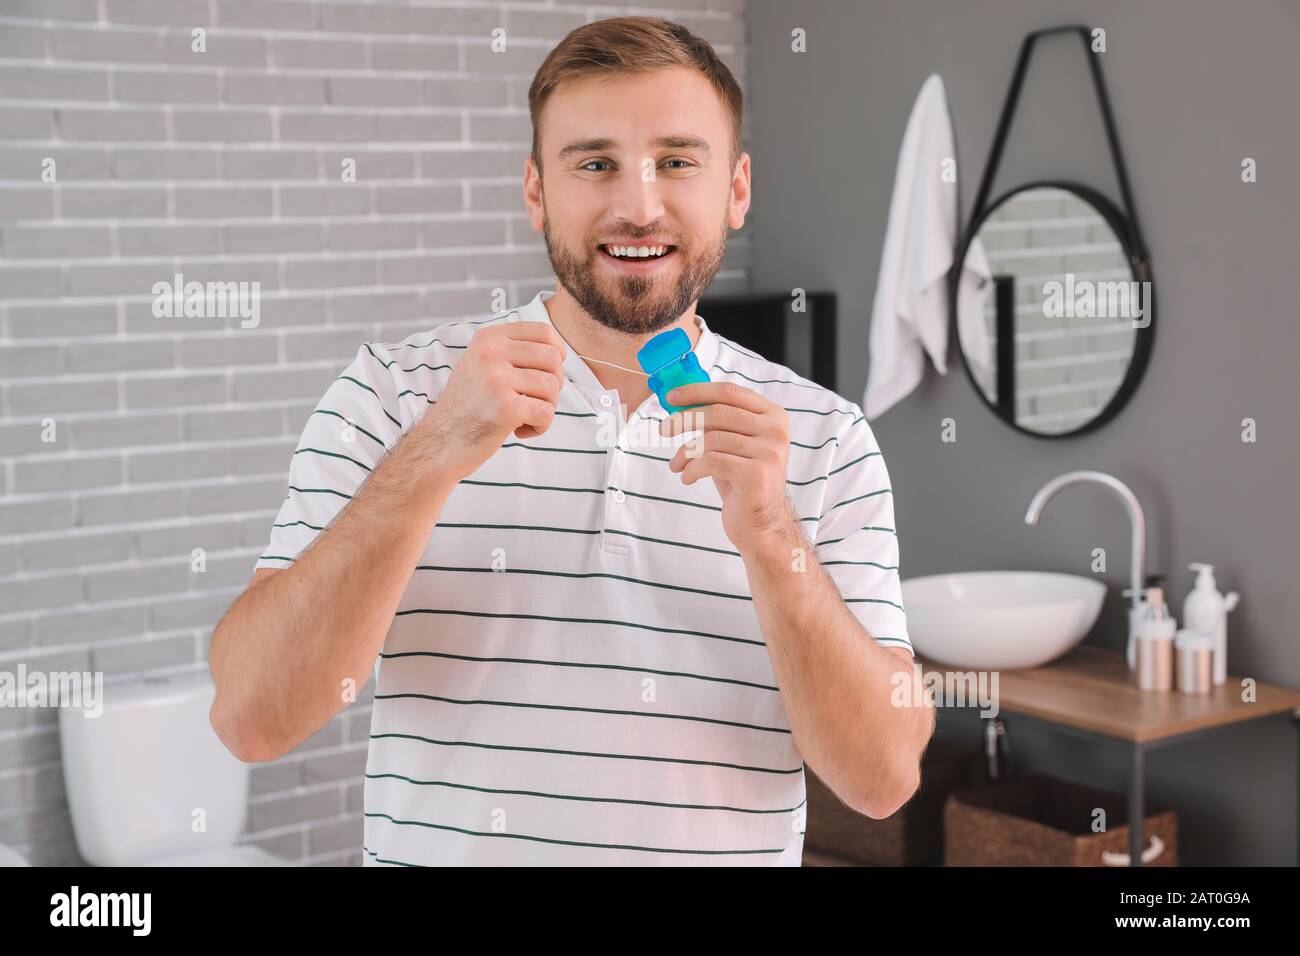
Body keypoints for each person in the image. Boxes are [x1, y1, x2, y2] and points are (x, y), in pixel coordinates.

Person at [210, 15, 933, 866]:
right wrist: (436, 450)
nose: (637, 204)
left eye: (676, 160)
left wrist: (773, 536)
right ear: (535, 191)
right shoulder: (392, 393)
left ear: (736, 189)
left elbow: (881, 781)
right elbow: (252, 718)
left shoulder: (824, 437)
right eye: (594, 163)